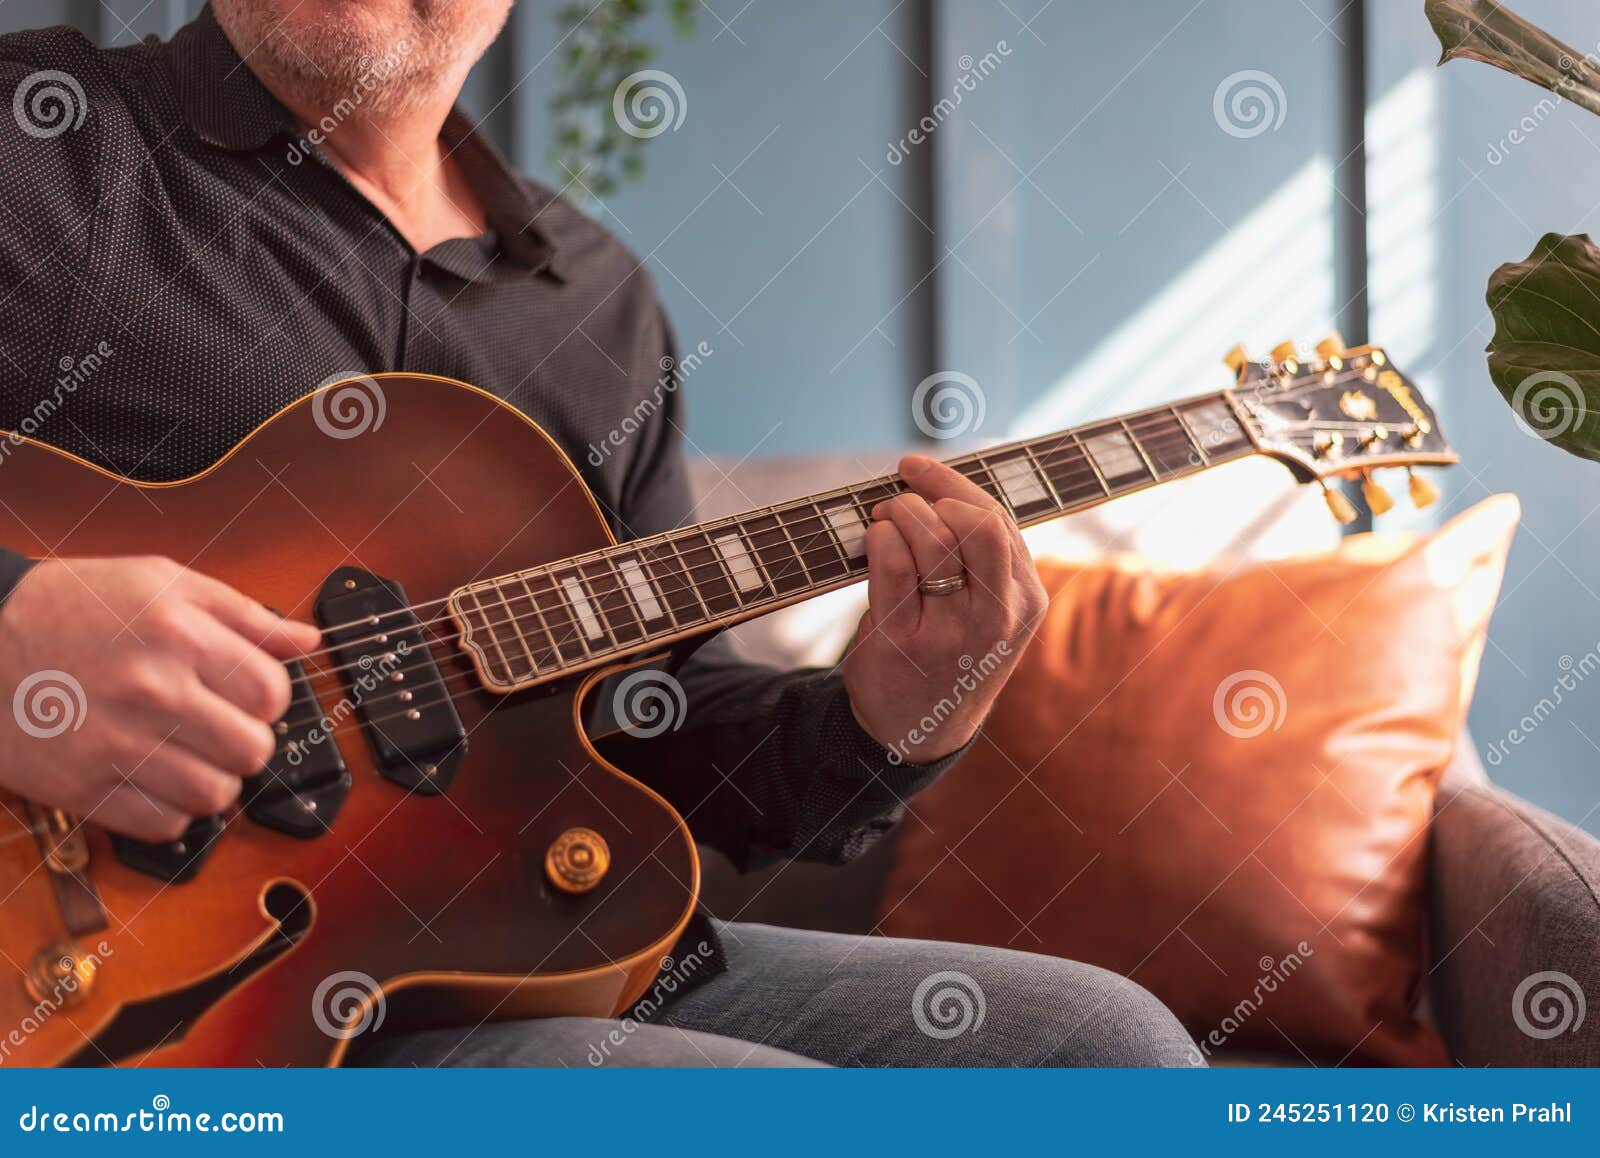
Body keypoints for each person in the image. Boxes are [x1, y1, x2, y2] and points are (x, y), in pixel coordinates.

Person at [0, 1, 1198, 1067]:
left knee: (1106, 1047)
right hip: (167, 1027)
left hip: (517, 956)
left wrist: (893, 713)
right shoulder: (40, 142)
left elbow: (660, 726)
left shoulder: (594, 299)